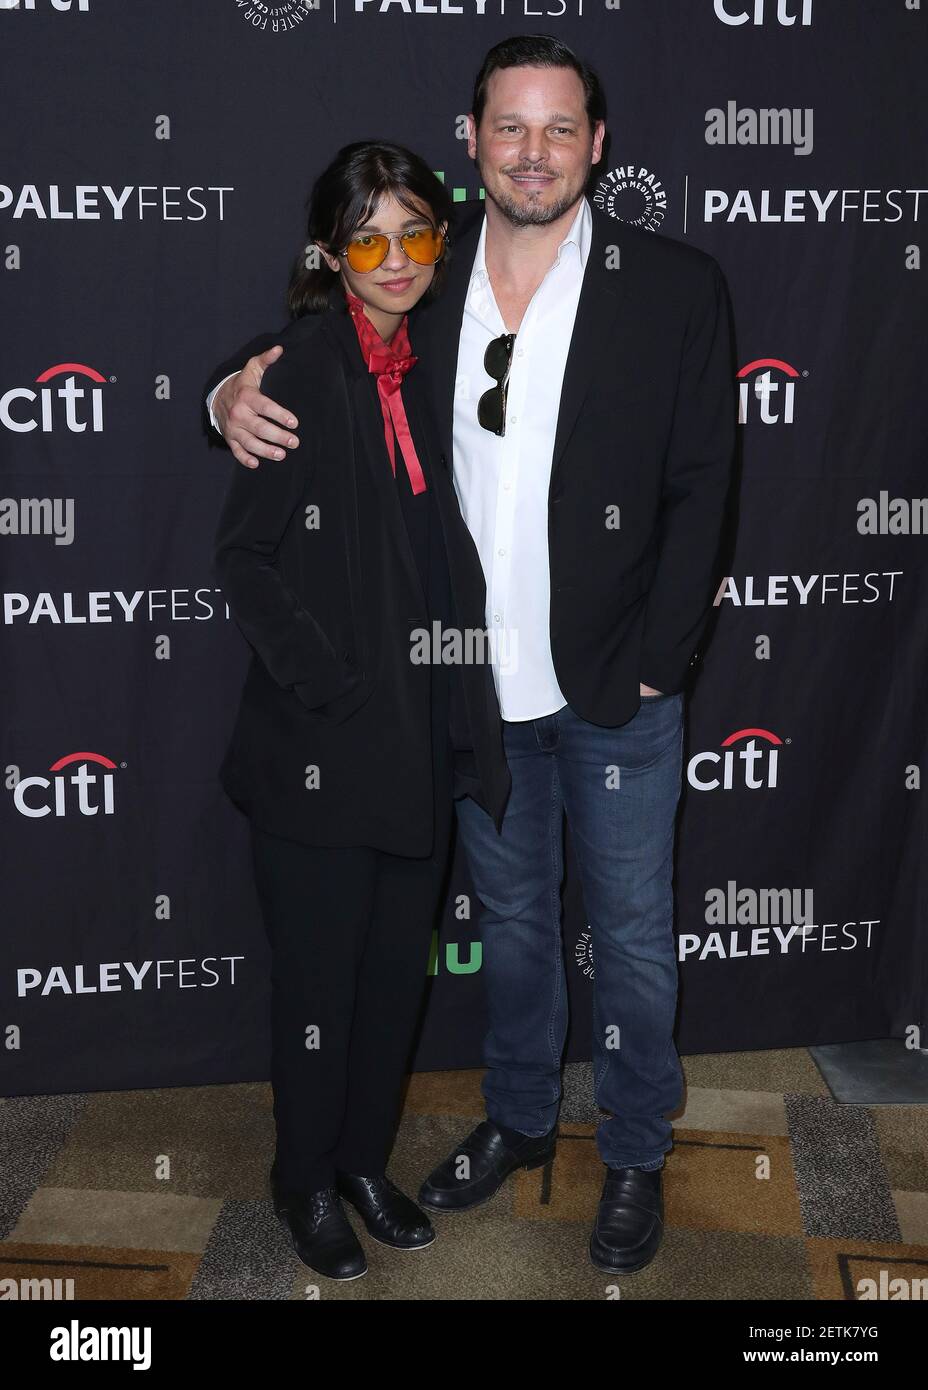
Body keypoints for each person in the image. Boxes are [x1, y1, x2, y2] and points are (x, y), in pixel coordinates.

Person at [206, 35, 737, 1275]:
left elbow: (704, 482)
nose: (533, 152)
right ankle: (519, 1117)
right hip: (469, 697)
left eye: (558, 128)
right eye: (510, 127)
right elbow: (294, 350)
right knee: (512, 926)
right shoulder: (423, 281)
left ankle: (636, 1150)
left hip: (613, 689)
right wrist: (220, 393)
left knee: (633, 937)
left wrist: (658, 660)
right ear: (472, 140)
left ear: (597, 144)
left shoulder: (673, 286)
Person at [210, 141, 510, 1282]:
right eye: (368, 239)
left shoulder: (432, 357)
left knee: (392, 981)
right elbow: (243, 558)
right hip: (319, 751)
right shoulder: (295, 369)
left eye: (415, 234)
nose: (395, 260)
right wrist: (329, 684)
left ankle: (362, 1163)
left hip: (420, 744)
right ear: (331, 253)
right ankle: (303, 1179)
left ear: (440, 240)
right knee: (319, 988)